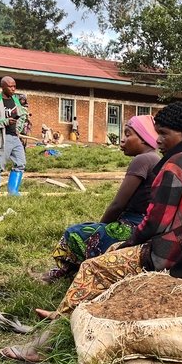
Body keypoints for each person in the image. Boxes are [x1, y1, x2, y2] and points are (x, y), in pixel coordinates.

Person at [1, 103, 182, 364]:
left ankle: (45, 343)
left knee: (93, 268)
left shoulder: (175, 164)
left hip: (179, 259)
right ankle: (64, 314)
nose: (158, 140)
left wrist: (127, 244)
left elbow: (155, 223)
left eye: (164, 134)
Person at [40, 114, 160, 283]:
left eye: (128, 134)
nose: (122, 140)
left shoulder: (142, 160)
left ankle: (69, 271)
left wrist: (102, 226)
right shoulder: (156, 158)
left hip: (133, 226)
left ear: (144, 138)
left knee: (74, 233)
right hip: (146, 225)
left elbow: (118, 204)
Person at [0, 76, 28, 197]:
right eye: (10, 86)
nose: (13, 89)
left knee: (21, 163)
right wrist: (5, 122)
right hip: (1, 137)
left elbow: (22, 115)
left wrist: (18, 129)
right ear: (3, 87)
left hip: (15, 137)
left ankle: (13, 191)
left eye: (14, 86)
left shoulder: (15, 100)